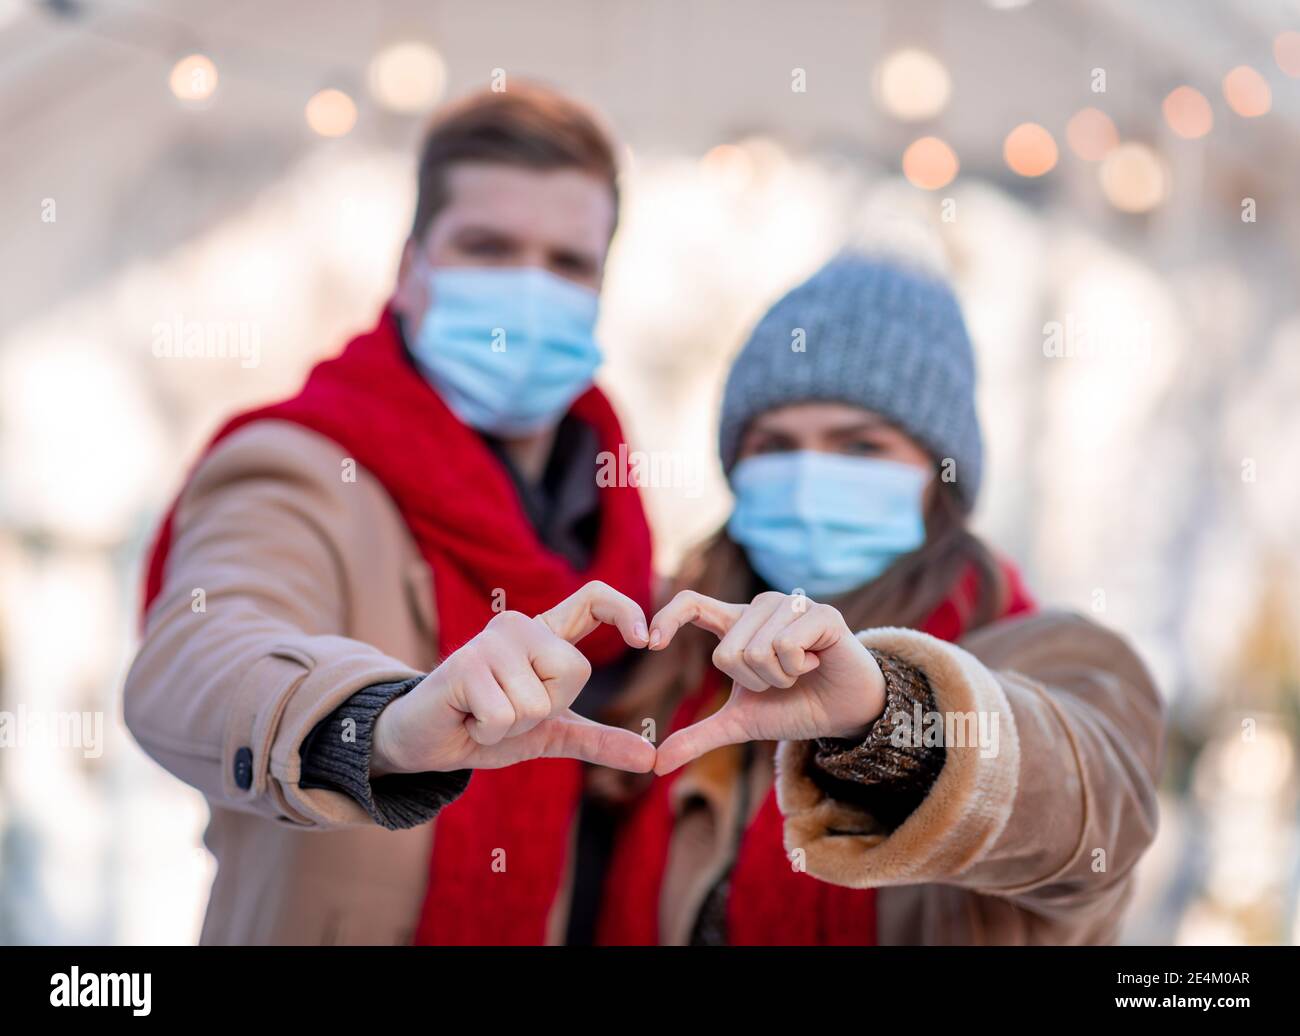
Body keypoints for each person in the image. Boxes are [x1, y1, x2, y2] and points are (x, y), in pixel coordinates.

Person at [124, 83, 660, 945]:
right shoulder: (298, 467)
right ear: (411, 271)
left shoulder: (620, 541)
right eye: (488, 248)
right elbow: (195, 652)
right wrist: (378, 723)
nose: (529, 291)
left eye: (567, 263)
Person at [594, 253, 1166, 945]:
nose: (811, 475)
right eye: (776, 444)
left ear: (940, 475)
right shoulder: (670, 650)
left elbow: (1095, 813)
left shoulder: (1052, 653)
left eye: (861, 447)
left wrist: (890, 717)